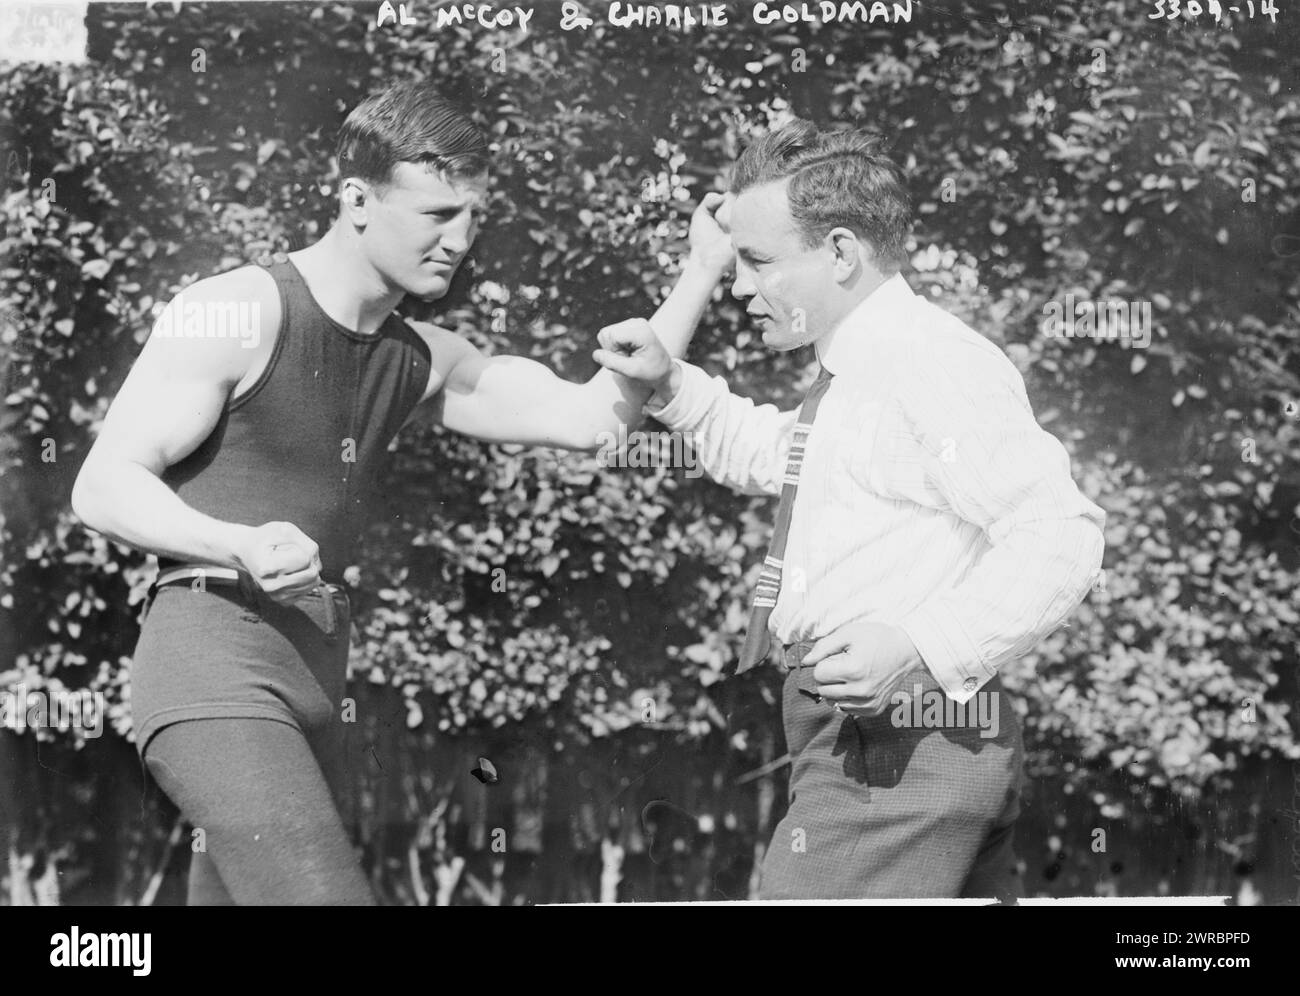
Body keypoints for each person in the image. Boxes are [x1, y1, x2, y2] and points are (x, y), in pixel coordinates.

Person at [70, 81, 732, 905]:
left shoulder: (424, 356)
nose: (460, 240)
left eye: (472, 218)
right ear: (356, 199)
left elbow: (591, 417)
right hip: (213, 674)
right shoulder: (238, 309)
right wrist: (235, 541)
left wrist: (702, 268)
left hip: (314, 692)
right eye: (436, 215)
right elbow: (102, 484)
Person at [597, 119, 1106, 900]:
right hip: (888, 736)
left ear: (840, 252)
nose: (739, 288)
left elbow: (1058, 535)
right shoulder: (861, 370)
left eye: (759, 262)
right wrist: (673, 385)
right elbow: (780, 456)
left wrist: (914, 644)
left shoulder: (929, 362)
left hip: (902, 739)